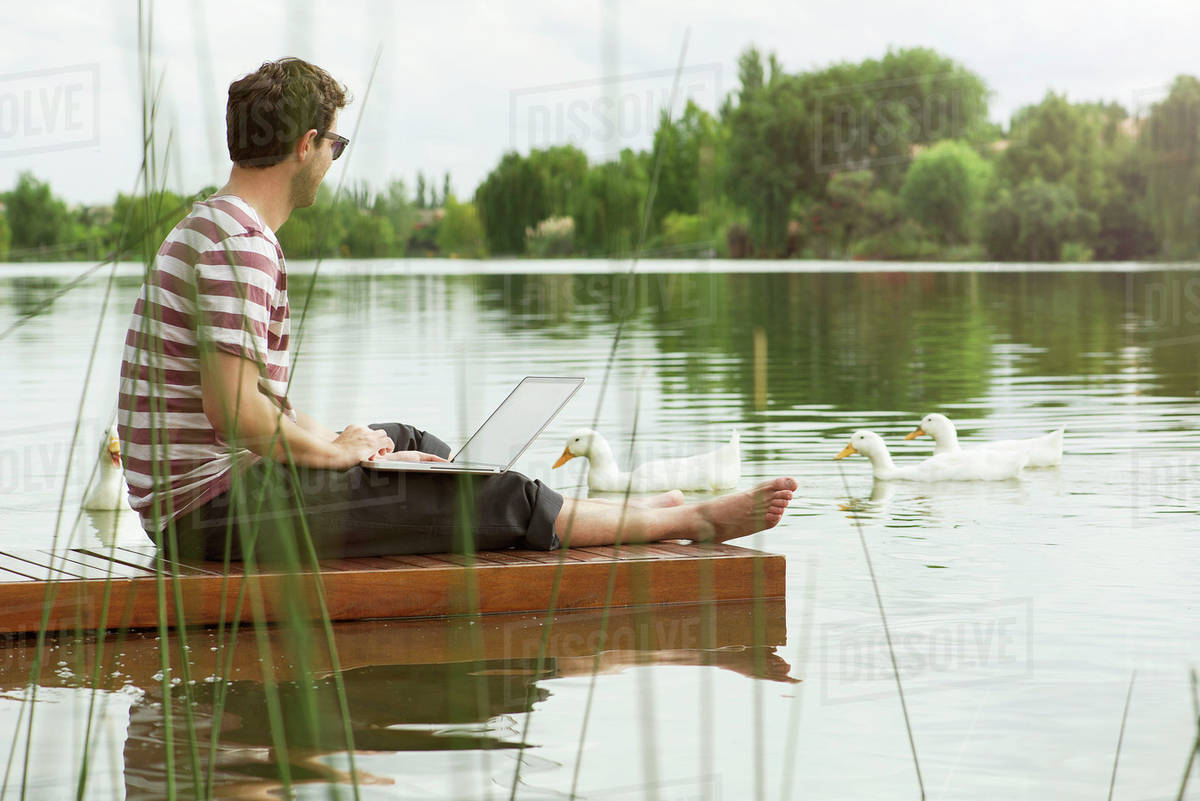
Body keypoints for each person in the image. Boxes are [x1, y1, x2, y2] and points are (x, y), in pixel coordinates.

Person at [117, 57, 797, 563]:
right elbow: (235, 412)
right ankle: (678, 523)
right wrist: (333, 455)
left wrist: (352, 447)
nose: (332, 161)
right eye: (335, 145)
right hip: (209, 517)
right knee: (491, 498)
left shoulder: (218, 226)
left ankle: (605, 511)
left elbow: (262, 402)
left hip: (218, 497)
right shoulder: (240, 245)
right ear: (306, 145)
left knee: (413, 445)